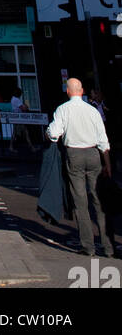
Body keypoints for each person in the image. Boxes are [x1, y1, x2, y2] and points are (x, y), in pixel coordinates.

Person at [47, 76, 113, 257]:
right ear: (82, 91)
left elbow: (54, 133)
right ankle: (108, 247)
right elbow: (103, 140)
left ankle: (88, 247)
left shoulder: (63, 109)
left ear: (68, 92)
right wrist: (107, 165)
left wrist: (48, 135)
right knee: (99, 201)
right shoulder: (92, 111)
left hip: (74, 154)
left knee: (80, 202)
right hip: (93, 155)